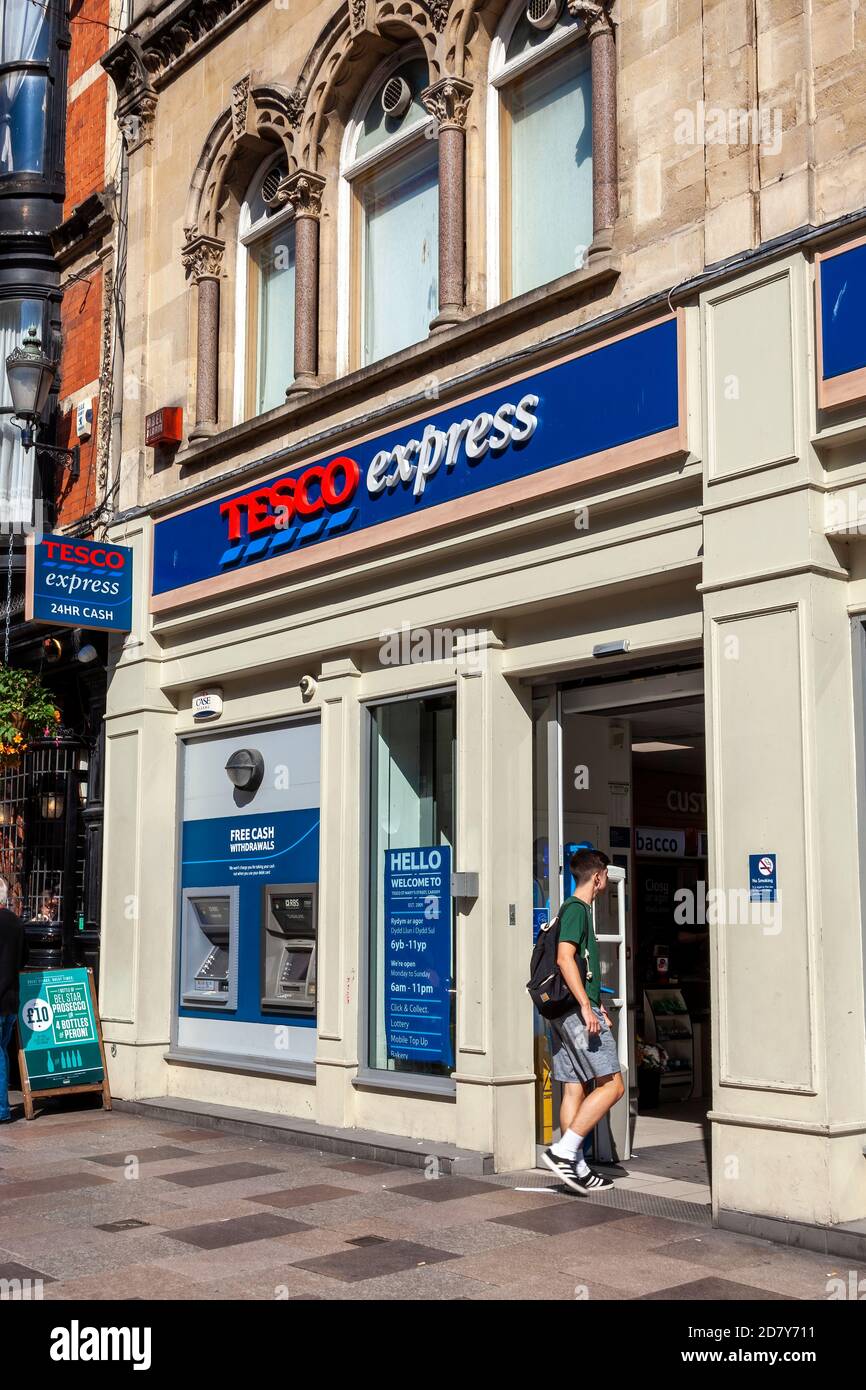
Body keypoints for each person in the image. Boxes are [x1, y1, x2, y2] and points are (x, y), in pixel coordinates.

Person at [542, 847, 625, 1194]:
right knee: (612, 1085)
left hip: (563, 1013)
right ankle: (564, 1150)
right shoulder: (577, 909)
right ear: (598, 875)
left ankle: (575, 1168)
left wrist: (595, 1002)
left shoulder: (572, 909)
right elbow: (564, 959)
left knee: (574, 1085)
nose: (606, 879)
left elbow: (580, 965)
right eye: (606, 874)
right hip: (577, 1014)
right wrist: (587, 1007)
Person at [0, 888, 24, 1124]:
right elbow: (23, 958)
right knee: (2, 1051)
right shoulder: (17, 923)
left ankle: (1, 1109)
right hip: (11, 999)